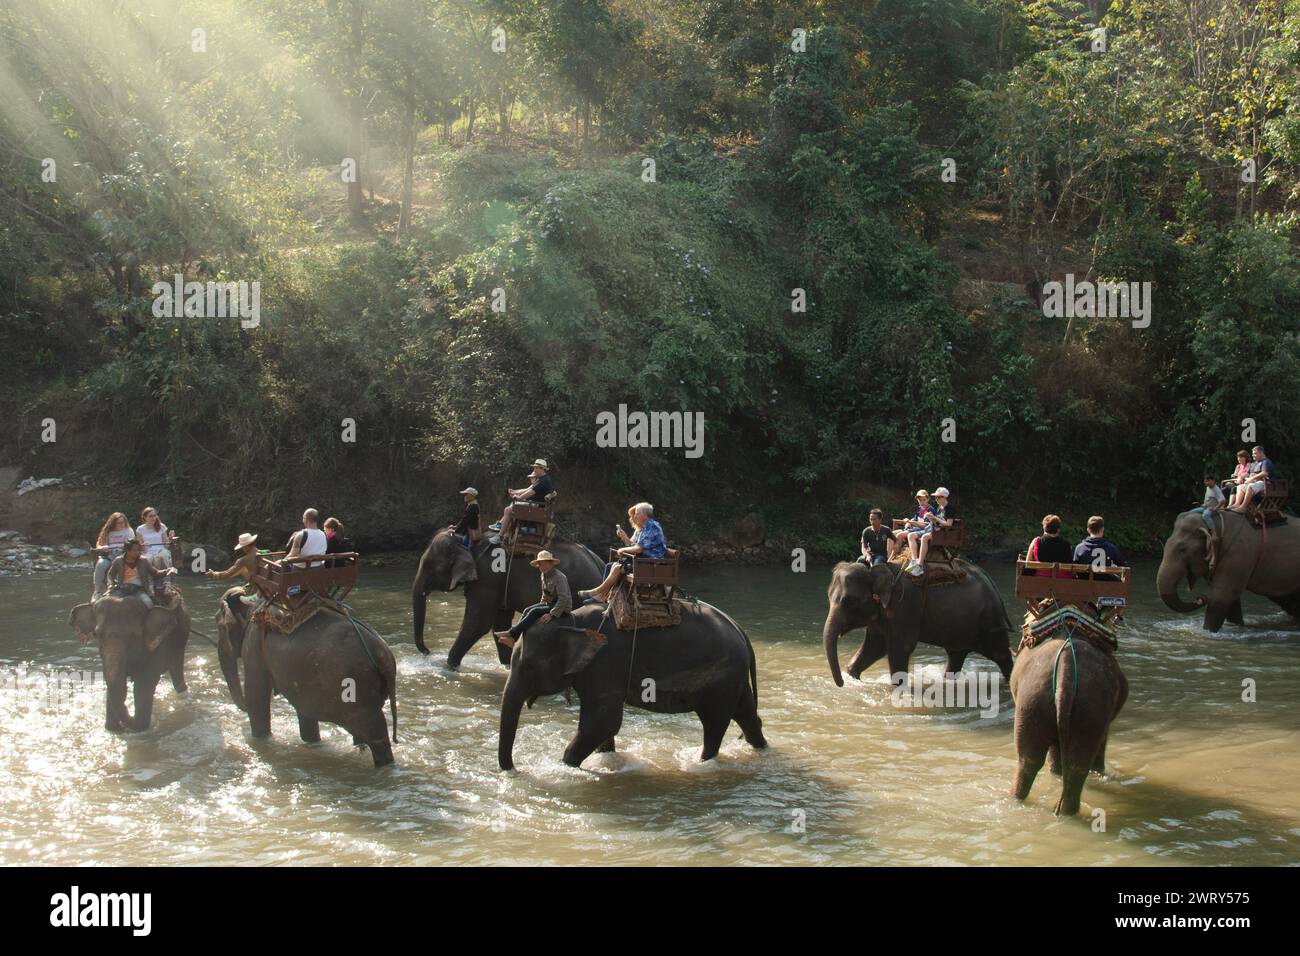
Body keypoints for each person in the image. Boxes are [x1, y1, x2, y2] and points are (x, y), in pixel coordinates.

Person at [579, 502, 667, 603]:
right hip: (641, 561)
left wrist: (623, 550)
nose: (634, 516)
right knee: (610, 566)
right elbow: (632, 545)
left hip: (650, 564)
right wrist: (624, 537)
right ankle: (602, 596)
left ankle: (596, 592)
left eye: (637, 513)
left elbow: (639, 549)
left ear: (645, 515)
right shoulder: (642, 528)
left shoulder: (652, 527)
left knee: (618, 567)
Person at [494, 550, 572, 649]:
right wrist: (541, 605)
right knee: (527, 610)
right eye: (541, 565)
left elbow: (563, 598)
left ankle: (511, 633)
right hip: (550, 603)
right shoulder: (543, 575)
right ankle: (514, 638)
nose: (543, 567)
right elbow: (545, 594)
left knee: (534, 611)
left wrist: (551, 614)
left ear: (551, 564)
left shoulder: (559, 577)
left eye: (546, 564)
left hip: (563, 608)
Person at [489, 459, 554, 544]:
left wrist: (519, 497)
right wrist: (515, 491)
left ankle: (500, 536)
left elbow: (529, 493)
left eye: (536, 468)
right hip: (535, 505)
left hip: (536, 507)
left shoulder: (543, 481)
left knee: (508, 510)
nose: (534, 470)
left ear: (542, 468)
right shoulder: (541, 479)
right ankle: (500, 524)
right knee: (511, 505)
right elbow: (527, 489)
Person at [107, 538, 176, 607]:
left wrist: (167, 571)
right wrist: (112, 584)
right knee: (109, 603)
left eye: (138, 550)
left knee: (148, 603)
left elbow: (155, 572)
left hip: (138, 589)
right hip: (122, 589)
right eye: (135, 550)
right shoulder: (118, 561)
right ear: (127, 551)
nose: (138, 552)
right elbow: (110, 574)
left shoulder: (144, 561)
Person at [207, 532, 261, 615]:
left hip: (256, 588)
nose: (243, 549)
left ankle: (242, 623)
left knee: (231, 599)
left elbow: (227, 574)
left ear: (246, 547)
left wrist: (214, 574)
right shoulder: (267, 553)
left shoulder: (243, 560)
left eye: (243, 547)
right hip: (268, 587)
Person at [92, 511, 135, 600]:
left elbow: (132, 544)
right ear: (113, 523)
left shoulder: (128, 530)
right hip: (108, 555)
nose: (122, 525)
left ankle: (122, 588)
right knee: (100, 565)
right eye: (119, 523)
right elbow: (99, 544)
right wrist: (102, 547)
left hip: (123, 555)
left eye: (123, 522)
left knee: (122, 563)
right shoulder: (108, 532)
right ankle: (97, 591)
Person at [895, 490, 935, 575]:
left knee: (901, 535)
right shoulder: (920, 508)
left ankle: (914, 560)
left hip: (922, 530)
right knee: (895, 534)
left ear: (928, 499)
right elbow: (915, 518)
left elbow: (925, 526)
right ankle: (894, 557)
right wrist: (909, 522)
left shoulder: (930, 510)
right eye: (920, 500)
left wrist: (911, 522)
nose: (922, 502)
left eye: (924, 500)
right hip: (917, 528)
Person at [915, 487, 957, 568]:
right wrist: (931, 517)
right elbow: (937, 522)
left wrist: (935, 518)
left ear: (944, 497)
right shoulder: (939, 508)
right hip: (937, 530)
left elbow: (948, 524)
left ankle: (920, 563)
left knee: (924, 537)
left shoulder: (949, 508)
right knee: (916, 534)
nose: (936, 499)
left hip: (944, 533)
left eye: (938, 497)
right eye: (936, 497)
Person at [1228, 445, 1276, 512]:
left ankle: (1243, 507)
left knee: (1250, 486)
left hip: (1267, 484)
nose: (1253, 455)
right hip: (1257, 483)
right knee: (1240, 487)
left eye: (1255, 453)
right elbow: (1249, 473)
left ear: (1261, 453)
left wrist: (1252, 479)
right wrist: (1243, 478)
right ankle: (1237, 504)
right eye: (1252, 453)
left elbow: (1265, 473)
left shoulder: (1266, 461)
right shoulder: (1256, 463)